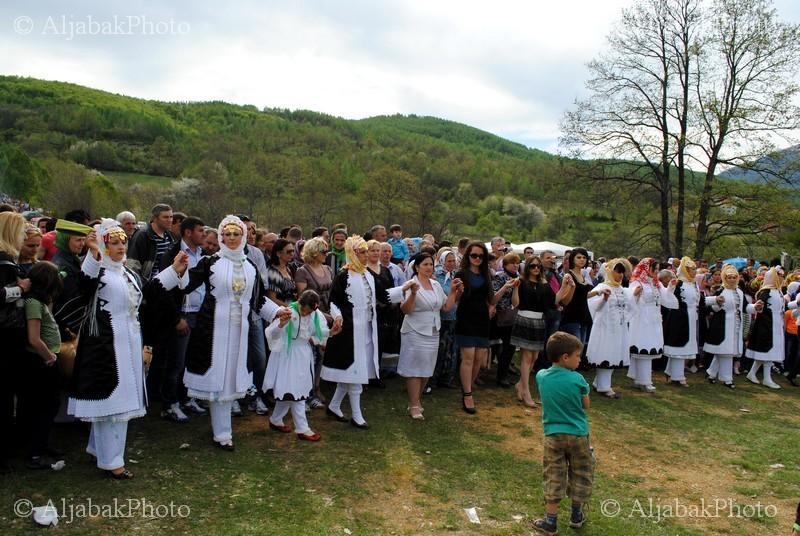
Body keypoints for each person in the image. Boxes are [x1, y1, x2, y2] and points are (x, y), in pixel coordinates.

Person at [152, 216, 287, 451]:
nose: (232, 238)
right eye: (228, 234)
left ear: (243, 237)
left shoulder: (251, 267)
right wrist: (178, 270)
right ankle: (222, 432)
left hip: (240, 332)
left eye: (236, 234)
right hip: (212, 332)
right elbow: (184, 285)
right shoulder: (210, 262)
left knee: (231, 379)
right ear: (221, 237)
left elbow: (257, 301)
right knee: (217, 379)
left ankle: (223, 431)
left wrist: (277, 311)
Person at [68, 219, 155, 479]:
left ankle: (98, 449)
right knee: (112, 402)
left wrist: (174, 271)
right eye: (113, 243)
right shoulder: (99, 271)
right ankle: (112, 461)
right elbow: (84, 287)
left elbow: (150, 293)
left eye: (123, 242)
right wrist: (94, 253)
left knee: (115, 400)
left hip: (128, 341)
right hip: (106, 346)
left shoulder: (125, 272)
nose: (120, 247)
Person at [321, 236, 414, 428]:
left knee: (353, 370)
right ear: (353, 253)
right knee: (354, 371)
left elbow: (384, 296)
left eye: (366, 252)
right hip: (349, 331)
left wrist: (404, 288)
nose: (366, 256)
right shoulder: (343, 276)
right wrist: (337, 317)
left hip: (366, 330)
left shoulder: (369, 275)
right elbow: (334, 301)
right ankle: (356, 415)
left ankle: (334, 405)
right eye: (362, 252)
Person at [532, 332, 594, 535]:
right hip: (578, 434)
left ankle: (550, 522)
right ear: (565, 357)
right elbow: (586, 406)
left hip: (553, 435)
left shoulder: (541, 376)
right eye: (577, 356)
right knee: (581, 472)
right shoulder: (578, 379)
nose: (580, 360)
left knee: (553, 474)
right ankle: (576, 515)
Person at [263, 290, 340, 441]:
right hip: (287, 354)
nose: (304, 314)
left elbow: (316, 333)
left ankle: (276, 419)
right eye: (302, 309)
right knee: (294, 391)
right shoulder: (288, 313)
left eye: (308, 311)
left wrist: (331, 332)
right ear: (298, 302)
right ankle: (302, 428)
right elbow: (271, 334)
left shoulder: (316, 316)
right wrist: (280, 324)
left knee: (289, 391)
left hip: (303, 355)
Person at [394, 253, 462, 420]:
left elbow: (446, 307)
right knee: (414, 370)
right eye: (425, 264)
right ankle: (413, 404)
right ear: (417, 267)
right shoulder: (410, 284)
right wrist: (413, 294)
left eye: (431, 264)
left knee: (426, 370)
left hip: (433, 331)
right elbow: (405, 310)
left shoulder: (435, 284)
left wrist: (453, 292)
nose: (429, 267)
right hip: (414, 331)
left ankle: (416, 401)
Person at [454, 241, 517, 414]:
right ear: (468, 256)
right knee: (468, 357)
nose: (477, 258)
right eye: (474, 255)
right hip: (466, 317)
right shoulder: (461, 273)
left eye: (481, 256)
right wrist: (457, 291)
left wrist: (505, 287)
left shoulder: (486, 274)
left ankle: (469, 388)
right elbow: (456, 297)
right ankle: (467, 393)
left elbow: (492, 300)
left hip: (482, 319)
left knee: (478, 359)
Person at [155, 216, 208, 423]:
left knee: (191, 361)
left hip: (198, 315)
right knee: (175, 362)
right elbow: (163, 288)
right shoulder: (173, 254)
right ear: (188, 232)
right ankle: (169, 404)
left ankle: (187, 398)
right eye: (200, 230)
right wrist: (176, 317)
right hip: (181, 316)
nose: (204, 234)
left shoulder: (203, 255)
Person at [511, 256, 574, 408]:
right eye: (533, 266)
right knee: (527, 356)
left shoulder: (543, 282)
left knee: (534, 356)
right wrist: (514, 288)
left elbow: (554, 300)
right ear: (527, 267)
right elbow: (515, 303)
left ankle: (520, 384)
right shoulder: (522, 282)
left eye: (538, 266)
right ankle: (526, 391)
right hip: (525, 319)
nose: (536, 268)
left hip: (539, 321)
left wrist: (565, 286)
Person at [18, 261, 63, 469]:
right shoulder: (33, 304)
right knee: (45, 406)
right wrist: (50, 358)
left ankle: (41, 444)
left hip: (44, 360)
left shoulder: (40, 301)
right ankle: (36, 452)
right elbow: (34, 338)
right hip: (41, 361)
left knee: (47, 405)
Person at [0, 211, 32, 474]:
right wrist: (20, 290)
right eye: (21, 233)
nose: (23, 238)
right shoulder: (4, 262)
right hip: (6, 334)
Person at [586, 259, 639, 399]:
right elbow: (592, 306)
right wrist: (603, 299)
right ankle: (604, 387)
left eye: (622, 272)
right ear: (610, 271)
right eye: (617, 271)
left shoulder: (621, 289)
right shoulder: (601, 287)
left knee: (614, 352)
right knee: (605, 351)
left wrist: (635, 295)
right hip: (605, 326)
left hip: (618, 326)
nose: (620, 275)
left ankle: (600, 383)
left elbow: (629, 305)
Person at [627, 258, 679, 393]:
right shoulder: (637, 282)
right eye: (654, 269)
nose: (656, 272)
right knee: (643, 346)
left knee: (651, 345)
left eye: (657, 269)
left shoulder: (656, 283)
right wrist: (635, 295)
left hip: (654, 317)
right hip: (642, 317)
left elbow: (664, 297)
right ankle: (644, 380)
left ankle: (641, 378)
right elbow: (630, 298)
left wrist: (671, 287)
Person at [295, 236, 334, 407]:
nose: (326, 254)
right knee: (311, 352)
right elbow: (302, 298)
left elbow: (332, 292)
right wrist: (321, 314)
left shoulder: (328, 269)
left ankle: (316, 387)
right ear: (313, 252)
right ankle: (306, 392)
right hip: (311, 313)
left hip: (328, 311)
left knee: (322, 354)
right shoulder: (302, 271)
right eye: (323, 251)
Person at [746, 267, 793, 388]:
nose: (782, 277)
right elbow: (758, 306)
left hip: (776, 324)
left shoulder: (778, 292)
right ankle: (767, 378)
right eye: (779, 276)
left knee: (767, 352)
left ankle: (752, 373)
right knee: (768, 350)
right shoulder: (766, 292)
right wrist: (757, 306)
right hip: (767, 325)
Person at [704, 264, 746, 388]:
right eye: (729, 277)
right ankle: (727, 378)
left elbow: (745, 307)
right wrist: (718, 302)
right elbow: (714, 308)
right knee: (727, 352)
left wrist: (756, 307)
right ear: (724, 278)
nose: (732, 280)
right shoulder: (721, 290)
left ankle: (711, 373)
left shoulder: (739, 292)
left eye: (734, 277)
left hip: (736, 325)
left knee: (723, 351)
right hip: (722, 326)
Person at [663, 257, 702, 387]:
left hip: (690, 317)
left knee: (684, 346)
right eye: (692, 269)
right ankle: (677, 376)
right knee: (679, 346)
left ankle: (672, 372)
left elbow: (698, 302)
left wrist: (714, 300)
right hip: (678, 318)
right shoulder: (678, 284)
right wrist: (670, 288)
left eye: (695, 269)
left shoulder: (693, 284)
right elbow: (669, 298)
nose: (695, 272)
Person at [492, 252, 522, 388]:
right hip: (499, 315)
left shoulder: (519, 278)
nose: (515, 265)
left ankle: (503, 375)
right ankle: (498, 375)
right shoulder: (500, 277)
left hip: (513, 315)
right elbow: (493, 295)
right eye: (512, 263)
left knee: (509, 347)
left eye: (517, 263)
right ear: (505, 264)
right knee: (497, 347)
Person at [431, 250, 460, 389]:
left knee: (451, 349)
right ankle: (433, 377)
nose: (452, 264)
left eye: (453, 261)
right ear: (442, 261)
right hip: (442, 317)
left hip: (454, 316)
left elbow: (456, 298)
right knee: (440, 349)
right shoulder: (436, 276)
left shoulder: (456, 276)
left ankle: (447, 377)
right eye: (449, 261)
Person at [126, 204, 173, 282]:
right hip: (148, 287)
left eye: (171, 217)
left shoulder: (170, 236)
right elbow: (132, 265)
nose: (169, 220)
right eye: (165, 217)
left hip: (166, 286)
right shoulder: (143, 236)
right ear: (155, 218)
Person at [267, 239, 297, 307]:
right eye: (288, 252)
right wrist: (292, 307)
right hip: (280, 312)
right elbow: (272, 299)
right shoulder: (273, 273)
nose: (292, 254)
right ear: (278, 254)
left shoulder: (288, 269)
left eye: (293, 251)